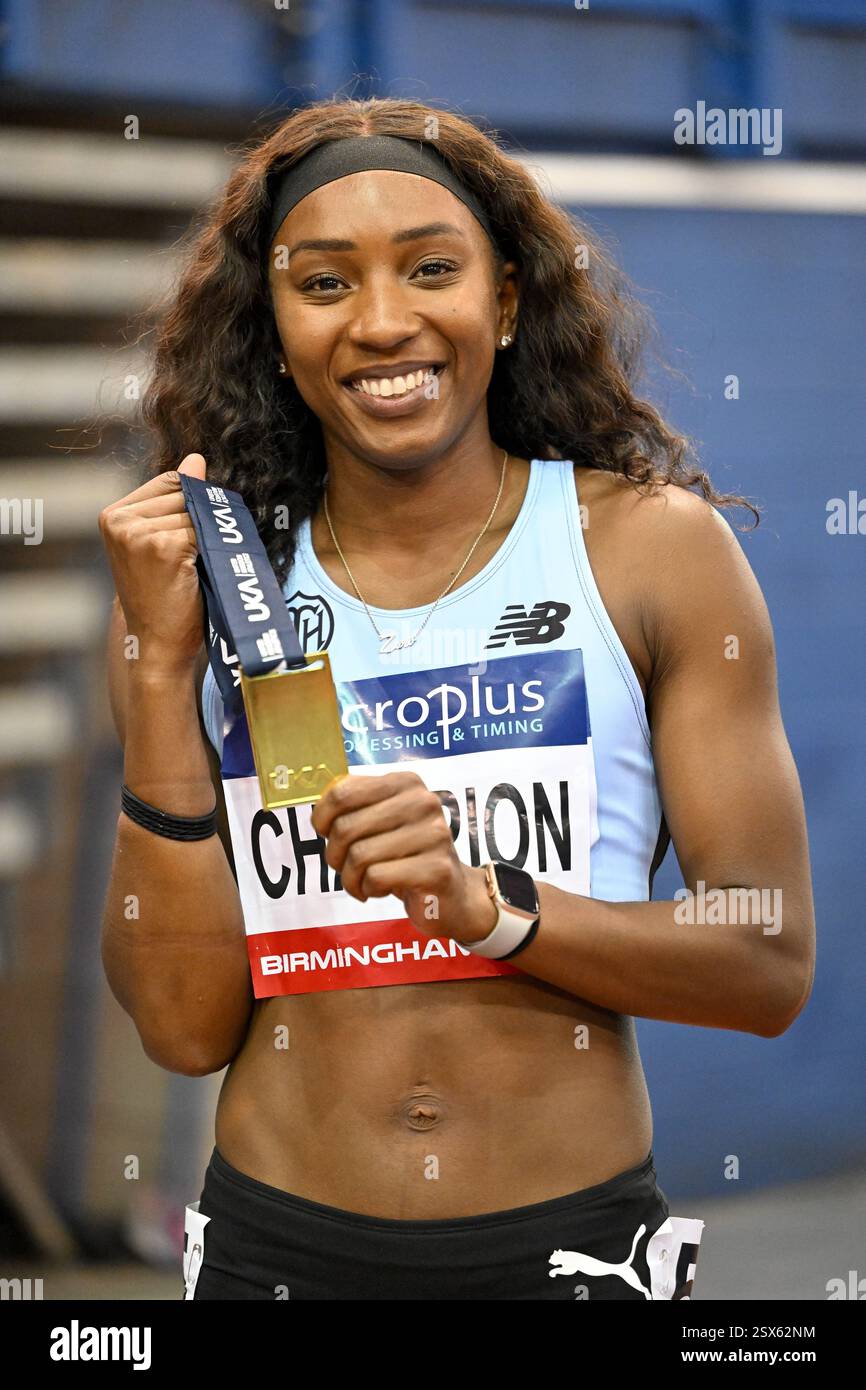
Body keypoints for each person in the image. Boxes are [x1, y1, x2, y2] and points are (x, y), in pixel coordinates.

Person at [98, 97, 815, 1301]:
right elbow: (180, 1029)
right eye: (322, 285)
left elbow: (763, 957)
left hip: (564, 1253)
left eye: (432, 270)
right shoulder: (213, 584)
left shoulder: (648, 551)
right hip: (272, 1252)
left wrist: (486, 907)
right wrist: (160, 671)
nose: (383, 323)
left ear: (509, 299)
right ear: (273, 328)